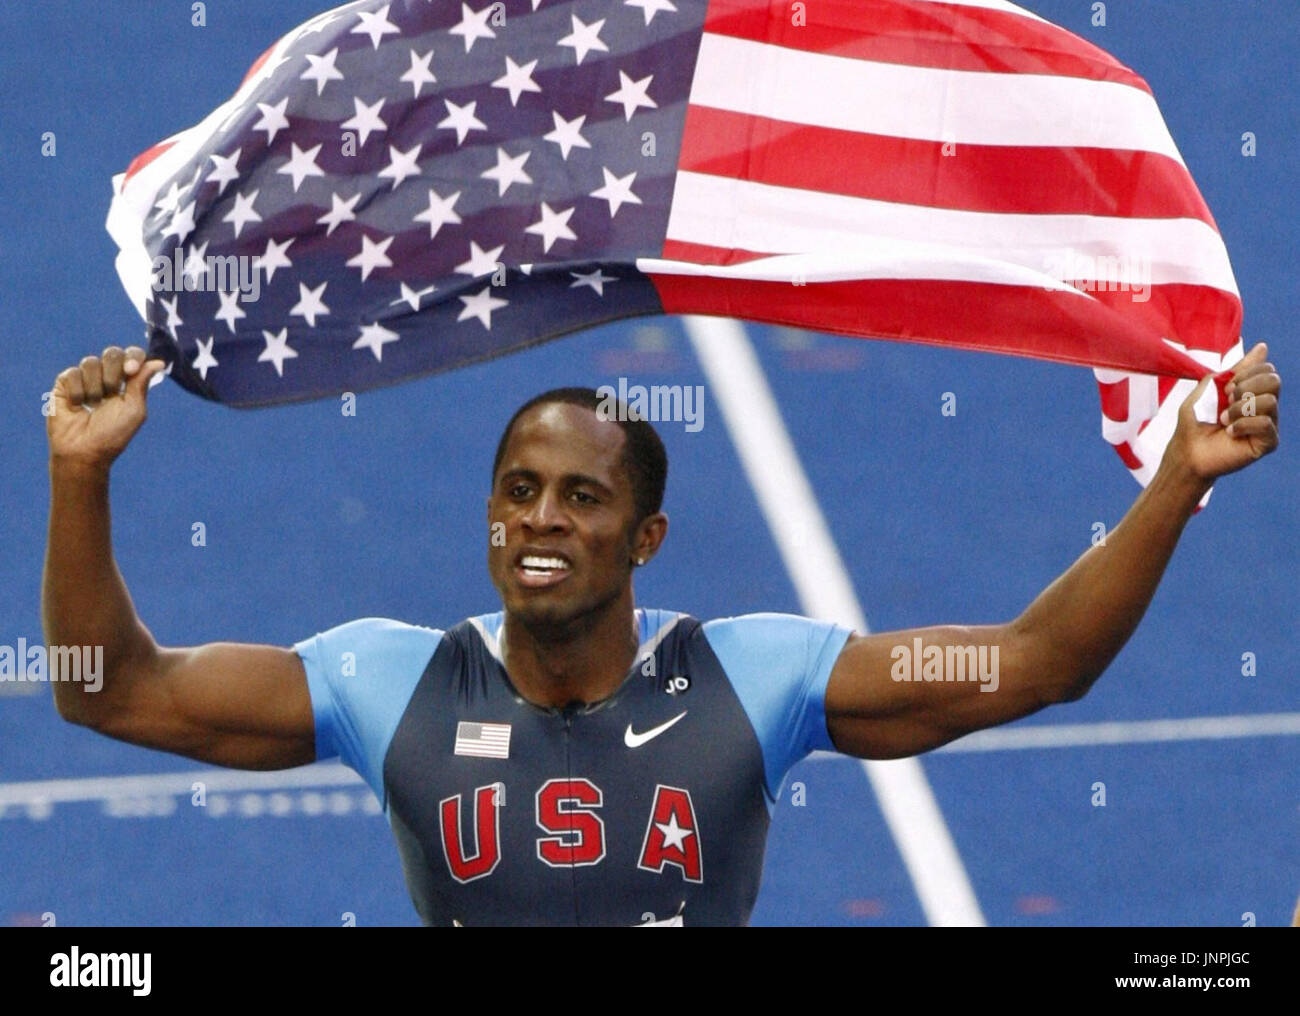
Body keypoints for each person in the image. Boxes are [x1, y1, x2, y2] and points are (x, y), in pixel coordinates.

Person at [43, 342, 1281, 926]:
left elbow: (1034, 666)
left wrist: (1175, 482)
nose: (542, 520)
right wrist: (82, 480)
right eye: (519, 491)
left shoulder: (757, 676)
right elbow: (110, 693)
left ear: (645, 540)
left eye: (583, 499)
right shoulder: (392, 678)